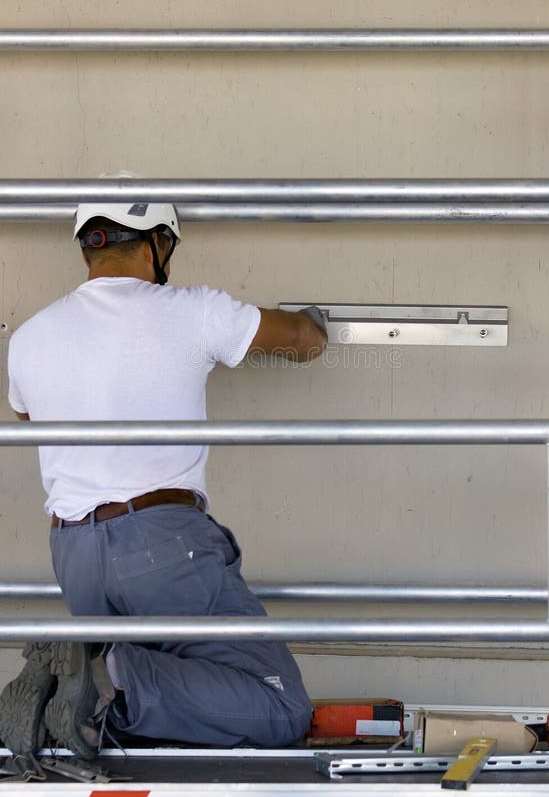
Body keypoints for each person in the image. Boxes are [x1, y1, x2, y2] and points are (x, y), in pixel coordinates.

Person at [0, 199, 327, 760]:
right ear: (158, 246)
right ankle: (111, 674)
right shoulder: (190, 310)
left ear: (88, 247)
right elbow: (300, 342)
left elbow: (29, 413)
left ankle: (81, 683)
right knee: (278, 705)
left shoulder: (29, 337)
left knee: (138, 714)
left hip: (74, 554)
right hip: (161, 545)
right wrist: (316, 323)